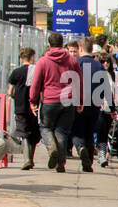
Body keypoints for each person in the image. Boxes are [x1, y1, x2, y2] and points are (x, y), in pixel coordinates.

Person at [28, 31, 83, 173]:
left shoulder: (43, 61)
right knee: (62, 132)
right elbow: (79, 81)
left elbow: (35, 83)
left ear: (49, 44)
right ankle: (61, 163)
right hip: (68, 100)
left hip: (49, 100)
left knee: (45, 128)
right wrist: (80, 100)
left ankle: (51, 146)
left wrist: (33, 100)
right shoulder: (72, 60)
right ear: (62, 43)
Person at [71, 38, 106, 172]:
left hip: (78, 103)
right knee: (89, 133)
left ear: (80, 49)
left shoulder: (76, 64)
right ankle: (88, 163)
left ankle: (80, 147)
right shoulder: (98, 66)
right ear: (92, 49)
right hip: (95, 104)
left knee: (76, 131)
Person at [7, 47, 39, 169]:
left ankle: (27, 159)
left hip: (20, 107)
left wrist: (17, 97)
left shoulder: (16, 72)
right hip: (34, 106)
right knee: (34, 133)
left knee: (24, 132)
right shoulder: (36, 71)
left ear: (21, 58)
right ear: (32, 57)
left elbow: (10, 91)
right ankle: (30, 158)